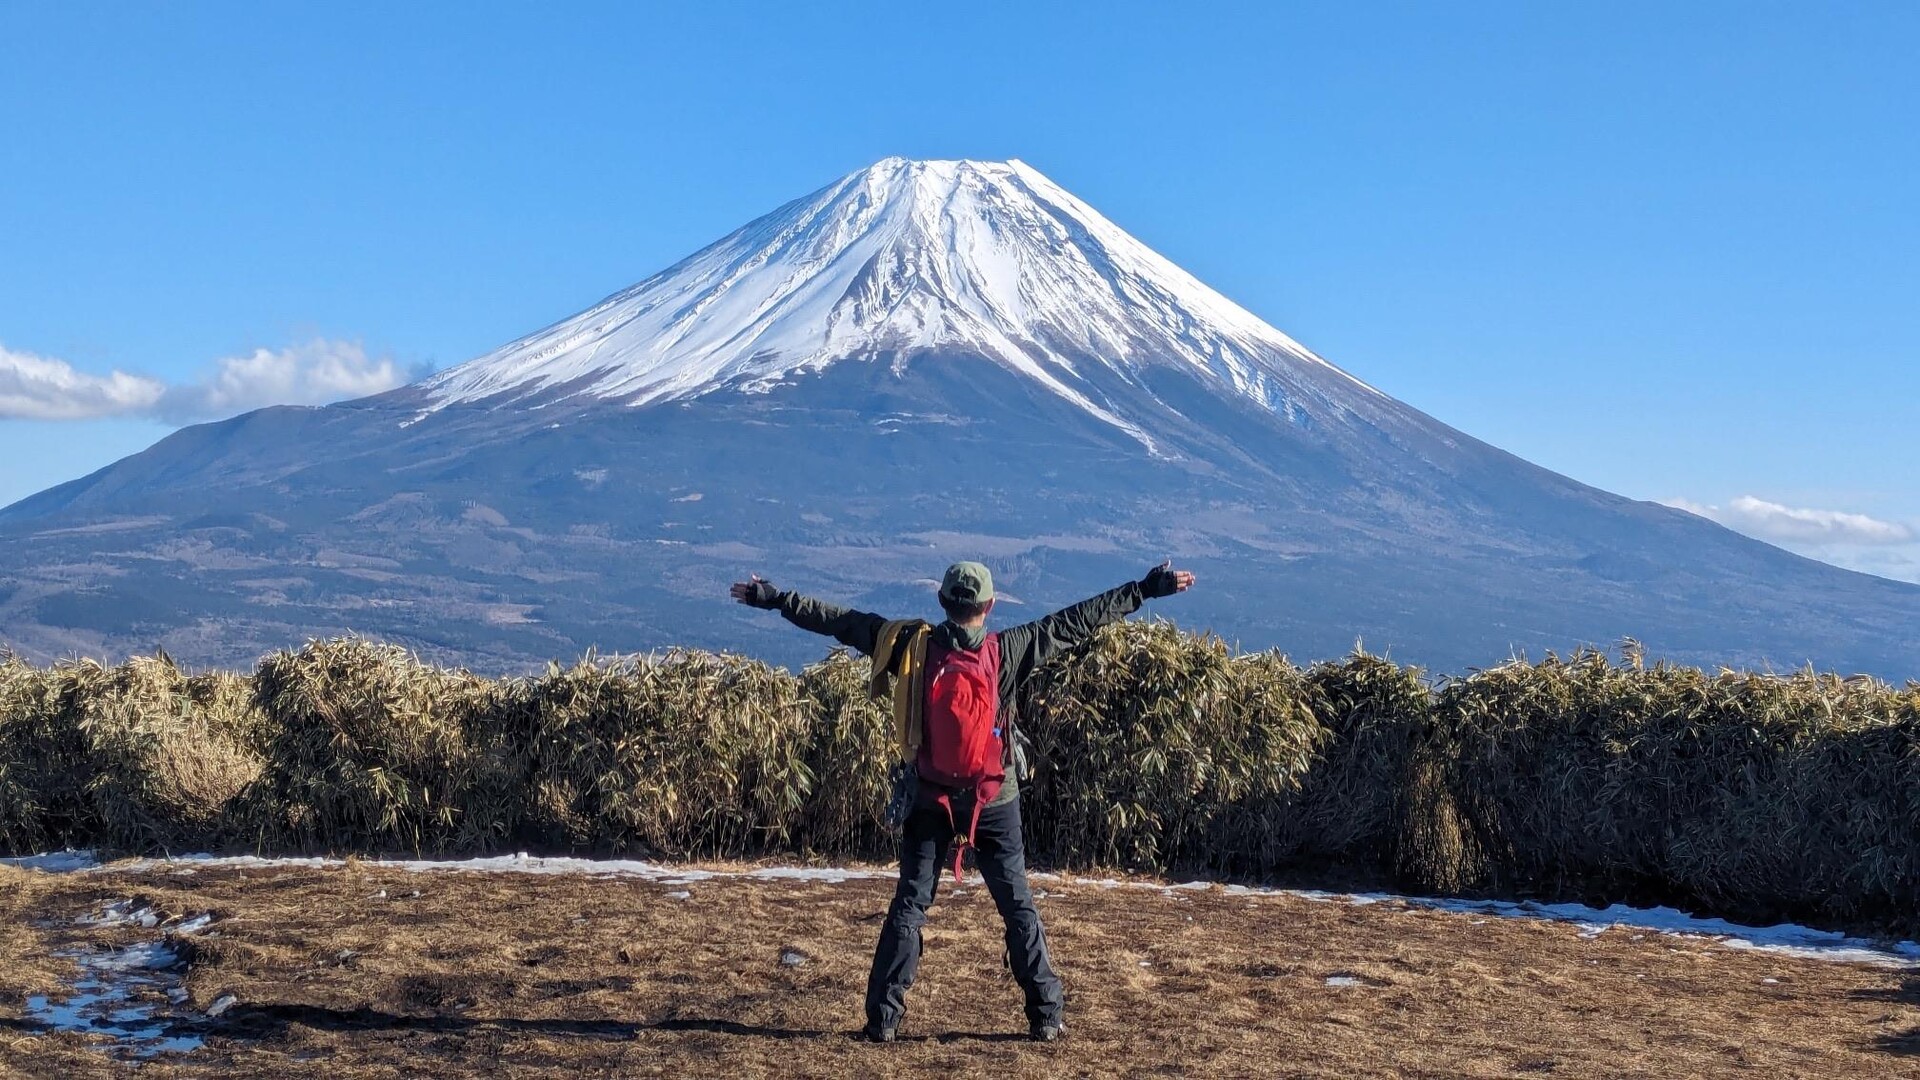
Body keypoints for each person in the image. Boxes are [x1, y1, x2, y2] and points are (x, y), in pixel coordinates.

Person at [729, 559, 1196, 1043]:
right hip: (994, 799)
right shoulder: (1007, 650)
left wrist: (776, 599)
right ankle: (1047, 1017)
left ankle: (883, 1022)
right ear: (989, 606)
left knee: (910, 907)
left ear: (942, 603)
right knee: (1017, 907)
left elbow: (839, 620)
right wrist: (1145, 589)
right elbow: (1079, 619)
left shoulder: (908, 645)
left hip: (929, 798)